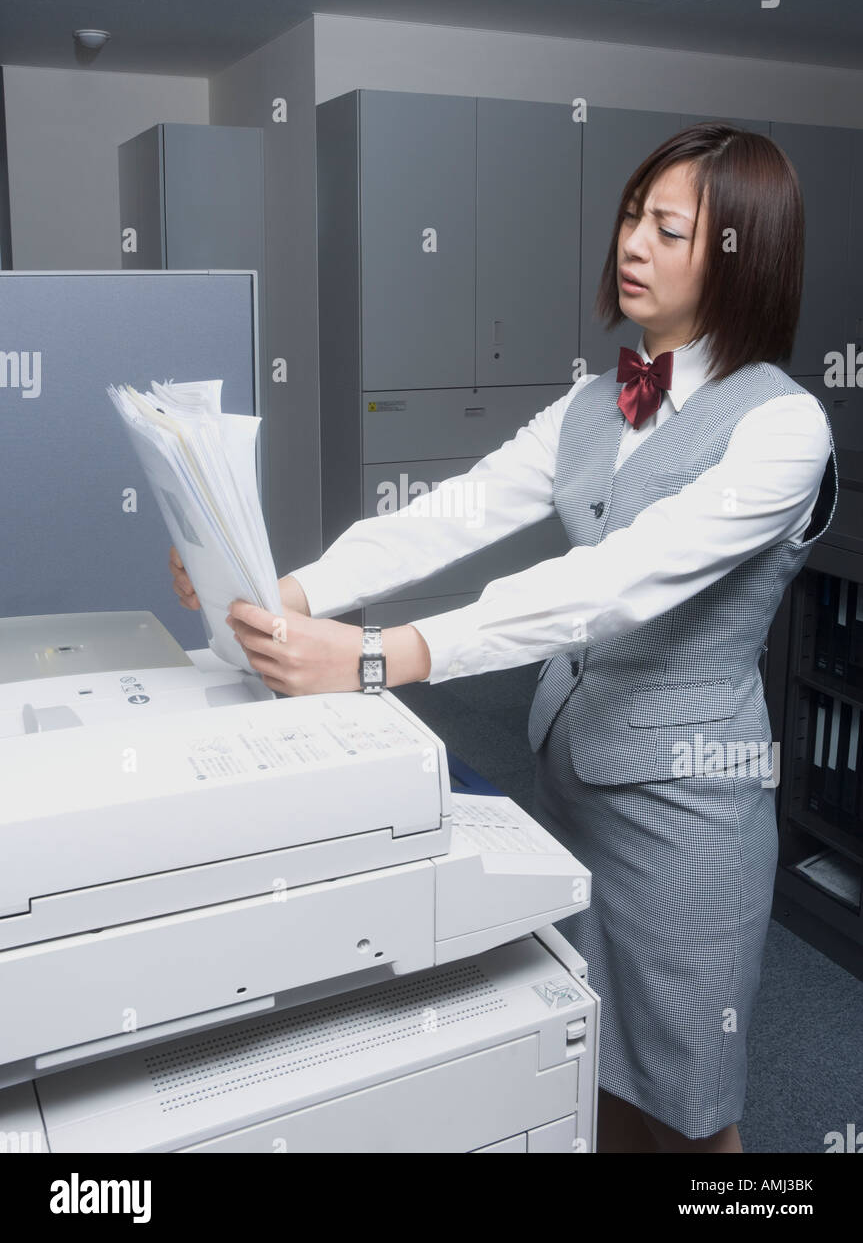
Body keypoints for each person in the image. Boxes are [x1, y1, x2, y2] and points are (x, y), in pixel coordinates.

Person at [170, 121, 837, 1153]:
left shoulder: (781, 428)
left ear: (746, 255)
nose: (630, 243)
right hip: (568, 783)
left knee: (694, 1115)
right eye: (630, 216)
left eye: (667, 229)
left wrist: (377, 655)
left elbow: (609, 583)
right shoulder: (595, 401)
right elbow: (453, 511)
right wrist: (289, 589)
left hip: (686, 821)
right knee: (590, 1067)